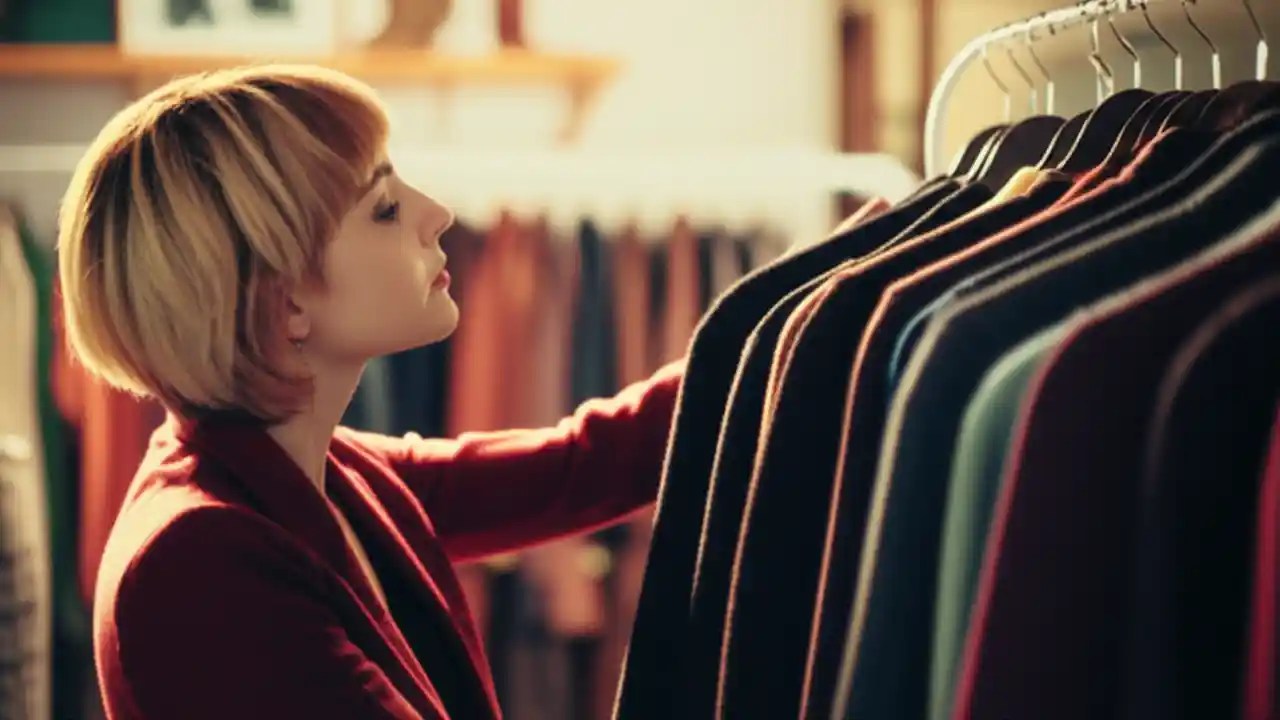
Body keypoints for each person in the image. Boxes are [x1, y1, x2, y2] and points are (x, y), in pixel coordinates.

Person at [58, 64, 684, 719]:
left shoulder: (328, 473)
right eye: (385, 209)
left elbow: (585, 463)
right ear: (285, 300)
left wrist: (756, 338)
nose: (437, 214)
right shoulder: (201, 563)